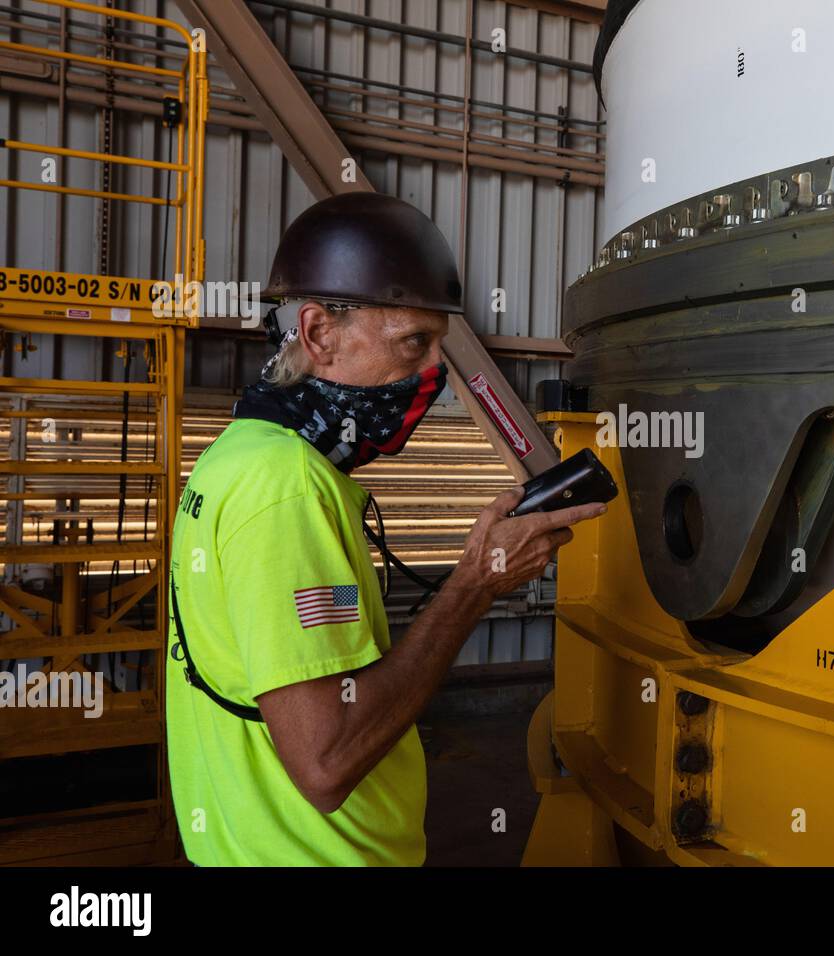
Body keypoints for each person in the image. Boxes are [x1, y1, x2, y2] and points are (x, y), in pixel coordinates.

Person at [164, 192, 602, 865]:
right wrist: (474, 585)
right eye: (412, 344)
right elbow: (326, 763)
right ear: (318, 334)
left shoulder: (240, 452)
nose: (432, 374)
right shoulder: (284, 486)